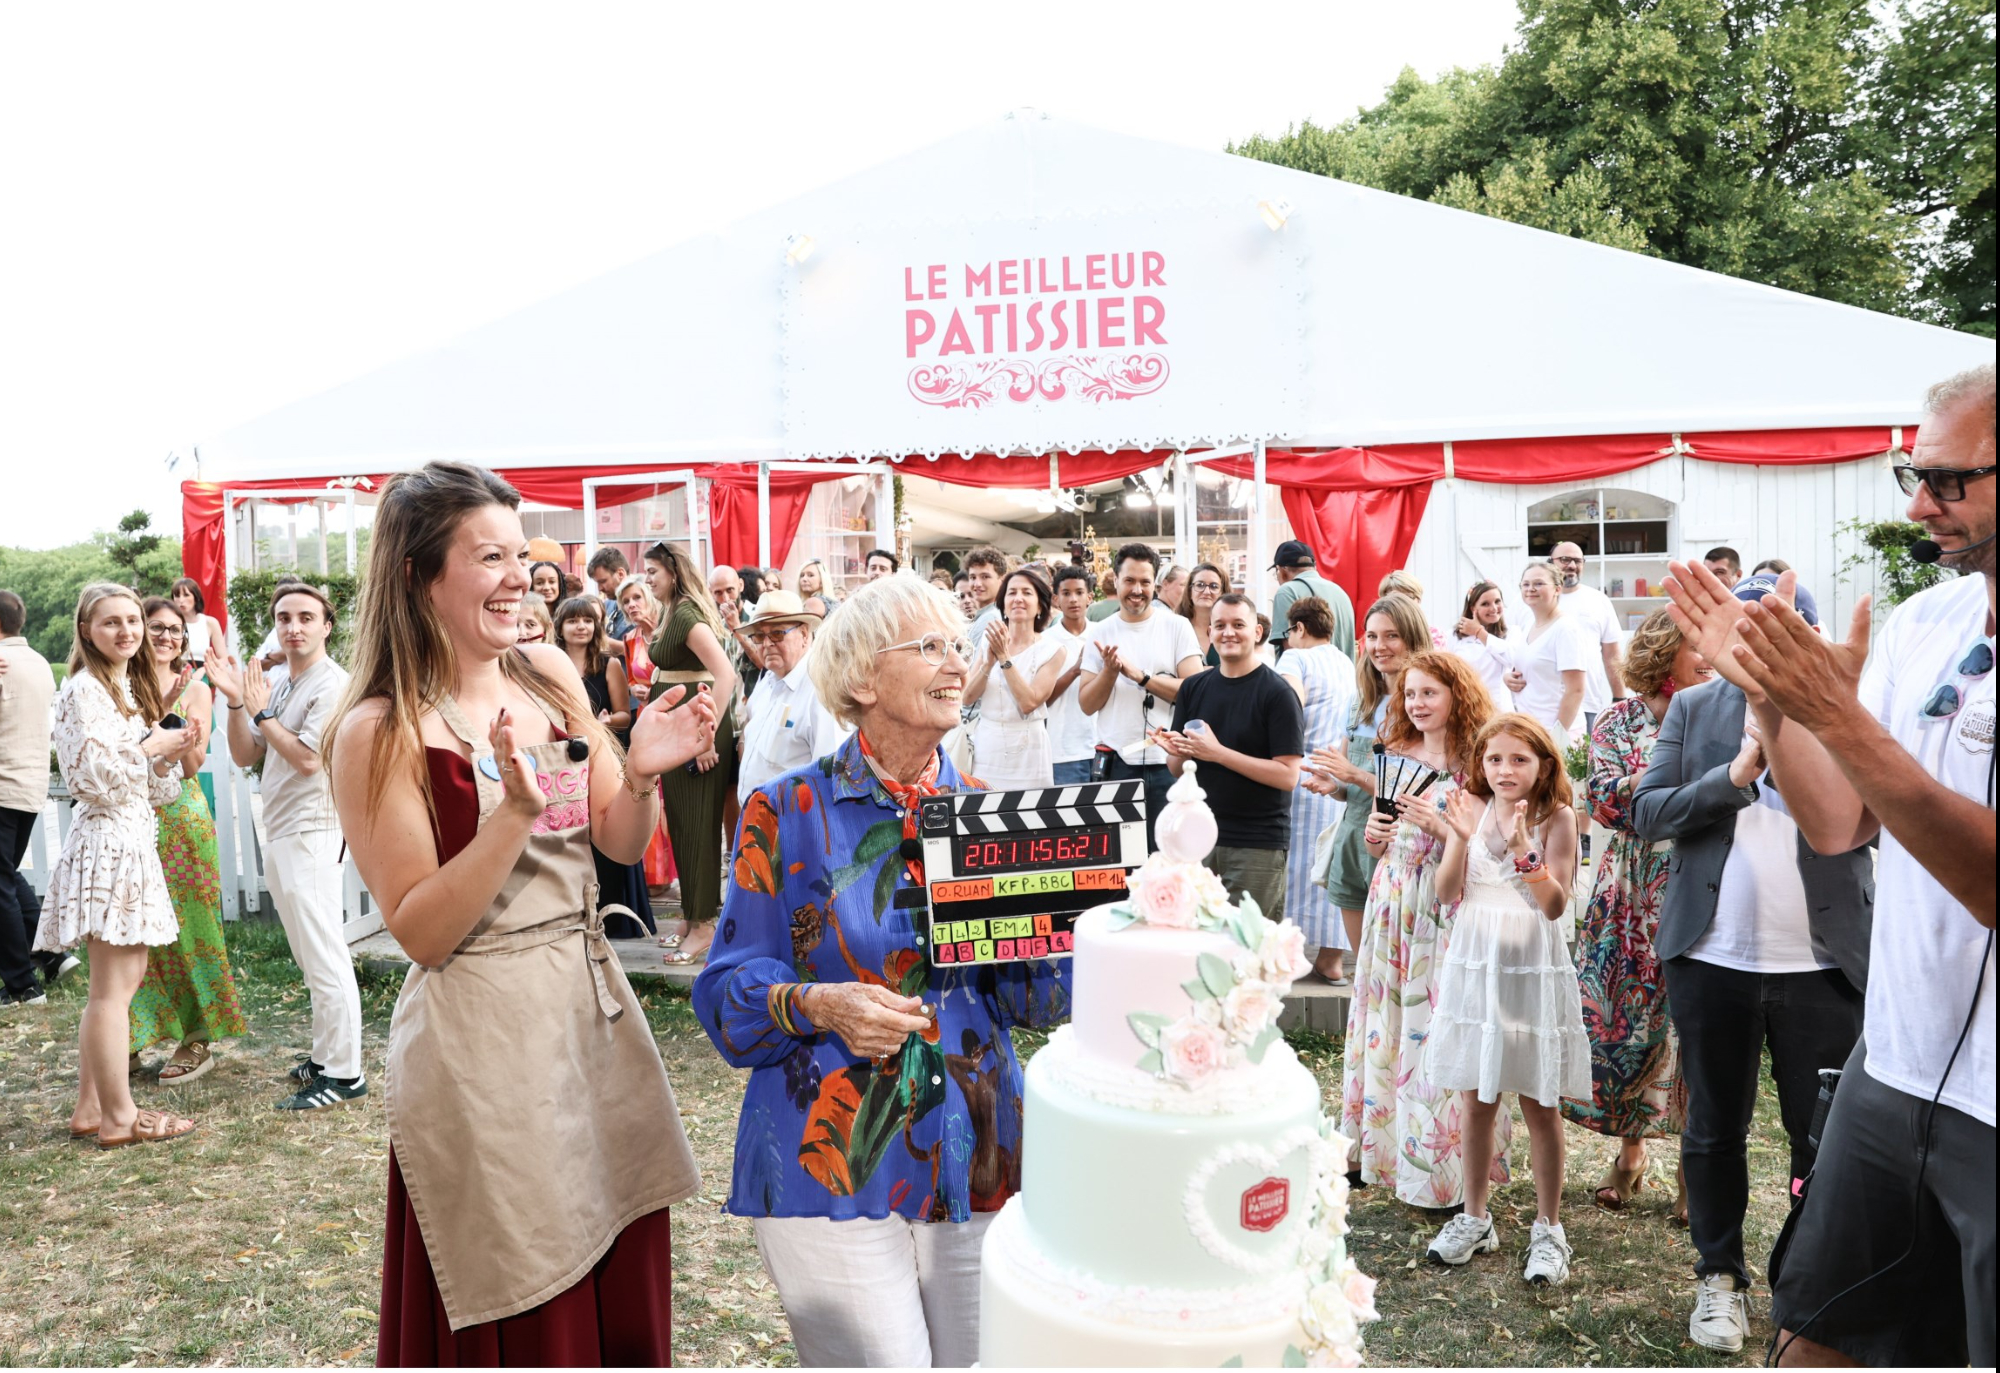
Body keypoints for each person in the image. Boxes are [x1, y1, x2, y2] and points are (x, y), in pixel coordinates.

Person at [323, 460, 713, 1362]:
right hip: (483, 1041)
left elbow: (617, 838)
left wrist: (643, 769)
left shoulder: (542, 675)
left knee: (612, 1255)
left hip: (587, 1015)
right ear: (421, 575)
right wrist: (510, 816)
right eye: (487, 555)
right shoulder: (375, 730)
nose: (520, 576)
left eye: (519, 551)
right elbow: (421, 928)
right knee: (527, 1287)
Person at [1664, 363, 1995, 1368]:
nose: (1915, 502)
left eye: (1946, 480)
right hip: (1888, 1069)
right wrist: (1769, 695)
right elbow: (1836, 820)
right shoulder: (1924, 624)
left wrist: (1837, 714)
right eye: (1913, 471)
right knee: (1810, 1336)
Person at [694, 575, 1069, 1367]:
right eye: (930, 646)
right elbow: (726, 998)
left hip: (981, 1152)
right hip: (829, 1164)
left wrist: (1073, 917)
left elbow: (1039, 999)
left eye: (958, 647)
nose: (955, 663)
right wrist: (819, 1003)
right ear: (863, 678)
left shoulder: (990, 818)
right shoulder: (785, 811)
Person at [1631, 640, 1873, 1355]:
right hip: (1712, 957)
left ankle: (1803, 1281)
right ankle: (1720, 1275)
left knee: (1824, 1136)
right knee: (1714, 1124)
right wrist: (1735, 773)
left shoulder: (1845, 703)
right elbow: (1647, 812)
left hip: (1824, 962)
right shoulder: (1696, 707)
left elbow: (1884, 811)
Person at [1340, 648, 1510, 1207]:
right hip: (1393, 902)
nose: (1416, 704)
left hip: (1448, 904)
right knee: (1388, 1023)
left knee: (1439, 1024)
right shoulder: (1393, 753)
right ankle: (1386, 1153)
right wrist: (1375, 832)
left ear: (1456, 694)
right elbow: (1377, 843)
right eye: (1409, 694)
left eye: (1428, 693)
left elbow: (1493, 845)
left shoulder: (1480, 760)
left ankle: (1447, 1168)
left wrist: (1439, 825)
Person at [1423, 713, 1588, 1283]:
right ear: (1479, 764)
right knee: (1475, 1098)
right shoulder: (1467, 808)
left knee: (1539, 1100)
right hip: (1477, 963)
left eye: (1519, 758)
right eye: (1494, 759)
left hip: (1528, 967)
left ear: (1544, 764)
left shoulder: (1557, 817)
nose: (1505, 769)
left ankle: (1548, 1228)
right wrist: (1459, 839)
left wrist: (1524, 852)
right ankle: (1474, 1217)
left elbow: (1554, 905)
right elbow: (1447, 893)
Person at [35, 583, 197, 1147]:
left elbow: (156, 791)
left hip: (130, 840)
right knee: (112, 989)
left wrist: (164, 753)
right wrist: (151, 749)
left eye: (134, 620)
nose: (127, 631)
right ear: (86, 630)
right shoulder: (83, 690)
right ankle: (121, 1118)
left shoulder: (123, 687)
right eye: (112, 623)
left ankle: (89, 1108)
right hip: (107, 845)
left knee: (113, 987)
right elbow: (90, 781)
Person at [1562, 611, 1709, 1217]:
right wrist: (1688, 789)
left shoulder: (1720, 711)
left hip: (1700, 884)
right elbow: (1606, 798)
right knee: (1629, 1022)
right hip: (1627, 893)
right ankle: (1631, 1153)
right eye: (1696, 644)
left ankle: (1690, 1170)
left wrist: (1659, 791)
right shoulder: (1620, 718)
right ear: (1663, 649)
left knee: (1695, 1028)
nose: (1708, 655)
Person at [206, 584, 365, 1111]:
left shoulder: (333, 684)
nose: (293, 626)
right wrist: (236, 701)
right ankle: (325, 1057)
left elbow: (308, 760)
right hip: (280, 826)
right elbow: (246, 751)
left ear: (326, 625)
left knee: (324, 951)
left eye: (305, 617)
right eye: (283, 617)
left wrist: (260, 712)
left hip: (314, 827)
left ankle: (345, 1075)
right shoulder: (278, 682)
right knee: (307, 951)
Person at [127, 598, 246, 1083]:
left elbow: (192, 765)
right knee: (133, 929)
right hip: (130, 819)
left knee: (187, 926)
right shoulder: (119, 684)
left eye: (176, 630)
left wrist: (168, 710)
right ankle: (136, 1034)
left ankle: (198, 1036)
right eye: (155, 627)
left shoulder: (195, 690)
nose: (166, 637)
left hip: (180, 818)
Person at [1162, 593, 1305, 918]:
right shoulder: (1193, 688)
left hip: (1256, 842)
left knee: (1248, 951)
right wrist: (1176, 750)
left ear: (1257, 632)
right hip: (1196, 838)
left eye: (1238, 624)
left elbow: (1288, 775)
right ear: (1209, 633)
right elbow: (1177, 769)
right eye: (1220, 625)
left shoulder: (1278, 693)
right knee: (1198, 946)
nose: (1229, 632)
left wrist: (1218, 753)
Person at [1307, 595, 1429, 972]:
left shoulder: (1423, 705)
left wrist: (1354, 775)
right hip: (1352, 840)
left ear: (1412, 639)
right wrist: (1334, 784)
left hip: (1398, 846)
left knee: (1398, 968)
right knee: (1366, 970)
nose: (1379, 646)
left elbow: (1424, 790)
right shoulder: (1359, 701)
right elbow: (1349, 784)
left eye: (1392, 635)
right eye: (1372, 636)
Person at [644, 540, 738, 966]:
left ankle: (703, 926)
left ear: (674, 572)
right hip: (679, 731)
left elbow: (726, 675)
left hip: (697, 732)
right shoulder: (670, 611)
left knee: (699, 826)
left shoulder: (685, 613)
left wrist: (705, 733)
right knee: (682, 823)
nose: (647, 579)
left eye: (653, 572)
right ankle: (690, 915)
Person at [1079, 543, 1203, 843]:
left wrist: (1141, 677)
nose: (1137, 590)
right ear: (1116, 581)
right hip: (1116, 763)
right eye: (1130, 581)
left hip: (1168, 761)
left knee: (1169, 852)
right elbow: (1086, 704)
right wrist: (1110, 671)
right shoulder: (1100, 632)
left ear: (1155, 584)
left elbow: (1196, 690)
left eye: (1145, 582)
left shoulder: (1177, 626)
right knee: (1119, 859)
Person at [557, 594, 653, 941]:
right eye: (572, 621)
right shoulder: (552, 664)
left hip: (602, 754)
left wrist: (608, 720)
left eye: (587, 620)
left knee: (608, 826)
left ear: (596, 626)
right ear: (561, 627)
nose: (580, 626)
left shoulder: (608, 663)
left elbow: (626, 715)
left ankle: (616, 918)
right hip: (563, 761)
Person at [1276, 596, 1359, 983]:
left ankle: (1287, 957)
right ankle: (1331, 959)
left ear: (1300, 629)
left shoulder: (1296, 659)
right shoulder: (1346, 662)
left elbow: (1289, 704)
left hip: (1304, 769)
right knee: (1330, 864)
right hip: (1339, 771)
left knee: (1294, 869)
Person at [0, 590, 68, 1007]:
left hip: (3, 782)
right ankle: (49, 952)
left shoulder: (4, 666)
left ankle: (23, 985)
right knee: (7, 875)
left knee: (0, 882)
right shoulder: (39, 661)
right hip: (27, 784)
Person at [734, 591, 848, 801]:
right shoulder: (767, 681)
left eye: (777, 633)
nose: (766, 643)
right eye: (759, 636)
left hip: (793, 827)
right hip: (757, 821)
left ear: (805, 635)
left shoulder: (821, 692)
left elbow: (831, 778)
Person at [963, 568, 1063, 791]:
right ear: (1004, 604)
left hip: (1030, 752)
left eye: (1027, 593)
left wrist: (1004, 657)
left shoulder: (1053, 649)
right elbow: (967, 697)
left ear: (1040, 605)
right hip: (988, 747)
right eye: (1012, 593)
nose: (1018, 598)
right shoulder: (990, 642)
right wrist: (988, 663)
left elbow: (1029, 702)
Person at [1505, 561, 1592, 748]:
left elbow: (1575, 690)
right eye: (1525, 584)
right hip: (1529, 729)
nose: (1530, 589)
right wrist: (1508, 677)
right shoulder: (1529, 625)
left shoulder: (1566, 629)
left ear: (1557, 589)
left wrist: (1556, 738)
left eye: (1538, 583)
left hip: (1558, 735)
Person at [1547, 541, 1629, 731]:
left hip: (1587, 704)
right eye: (1565, 559)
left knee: (1585, 761)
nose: (1572, 565)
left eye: (1578, 560)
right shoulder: (1530, 600)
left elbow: (1612, 655)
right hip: (1540, 705)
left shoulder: (1598, 600)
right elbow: (1513, 646)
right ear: (1550, 562)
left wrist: (1619, 698)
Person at [1044, 565, 1097, 786]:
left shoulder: (1103, 633)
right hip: (1064, 750)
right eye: (1066, 593)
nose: (1073, 599)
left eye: (1079, 593)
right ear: (1056, 599)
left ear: (1090, 597)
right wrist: (1075, 670)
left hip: (1102, 744)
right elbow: (1042, 699)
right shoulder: (1046, 641)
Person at [1270, 539, 1357, 659]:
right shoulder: (1340, 592)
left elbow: (1290, 653)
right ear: (1314, 566)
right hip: (1344, 675)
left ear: (1281, 570)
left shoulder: (1287, 591)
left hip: (1306, 677)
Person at [1449, 580, 1515, 709]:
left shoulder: (1512, 633)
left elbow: (1511, 660)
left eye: (1497, 601)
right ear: (1473, 608)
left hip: (1499, 709)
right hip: (1467, 707)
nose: (1494, 608)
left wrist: (1479, 632)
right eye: (1485, 604)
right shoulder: (1454, 636)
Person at [167, 576, 226, 670]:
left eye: (186, 595)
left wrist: (204, 670)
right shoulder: (168, 623)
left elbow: (224, 658)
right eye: (177, 596)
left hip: (201, 675)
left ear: (196, 597)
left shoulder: (210, 623)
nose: (181, 600)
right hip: (175, 673)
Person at [1175, 562, 1230, 663]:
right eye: (1200, 585)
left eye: (1214, 586)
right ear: (1189, 591)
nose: (1206, 592)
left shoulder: (1231, 631)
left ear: (1223, 592)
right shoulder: (1175, 628)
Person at [587, 546, 635, 639]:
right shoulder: (607, 605)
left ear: (620, 574)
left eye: (603, 581)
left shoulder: (647, 606)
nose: (600, 588)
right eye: (597, 583)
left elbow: (643, 648)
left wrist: (602, 641)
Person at [962, 545, 1006, 632]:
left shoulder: (991, 618)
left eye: (985, 577)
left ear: (1001, 580)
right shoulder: (983, 615)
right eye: (973, 577)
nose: (977, 584)